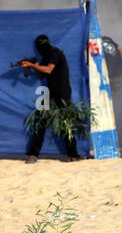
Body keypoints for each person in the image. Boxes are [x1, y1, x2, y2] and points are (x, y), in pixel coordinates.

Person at [19, 34, 82, 163]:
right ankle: (33, 154)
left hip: (62, 93)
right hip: (49, 94)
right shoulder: (46, 56)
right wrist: (34, 65)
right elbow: (41, 75)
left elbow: (48, 70)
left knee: (66, 124)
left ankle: (73, 155)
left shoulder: (55, 53)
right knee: (41, 122)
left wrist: (32, 64)